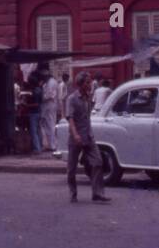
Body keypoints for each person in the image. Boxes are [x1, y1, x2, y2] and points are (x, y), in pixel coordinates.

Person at [66, 72, 111, 204]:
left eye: (90, 82)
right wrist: (75, 135)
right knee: (71, 169)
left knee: (98, 162)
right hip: (76, 137)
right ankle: (73, 193)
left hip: (88, 136)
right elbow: (71, 118)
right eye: (87, 82)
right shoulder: (72, 99)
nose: (90, 84)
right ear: (80, 84)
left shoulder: (88, 97)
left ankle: (97, 193)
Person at [40, 69, 60, 153]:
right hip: (49, 106)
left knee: (51, 125)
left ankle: (53, 145)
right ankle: (51, 144)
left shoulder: (51, 83)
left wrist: (41, 97)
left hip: (49, 105)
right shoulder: (50, 82)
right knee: (48, 125)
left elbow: (49, 95)